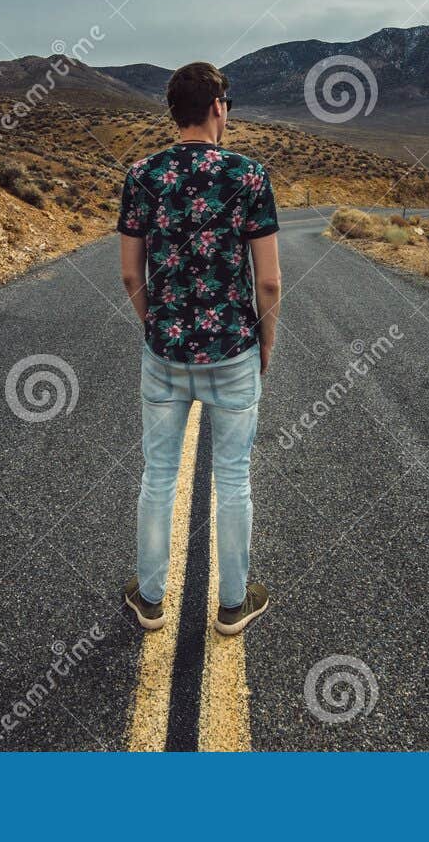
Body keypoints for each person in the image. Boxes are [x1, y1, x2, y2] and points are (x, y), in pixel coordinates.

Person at [117, 61, 281, 636]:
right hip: (233, 351)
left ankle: (150, 598)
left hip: (164, 354)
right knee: (233, 478)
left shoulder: (142, 175)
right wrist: (265, 341)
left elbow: (129, 273)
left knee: (159, 474)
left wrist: (154, 326)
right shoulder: (249, 175)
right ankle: (233, 603)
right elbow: (269, 283)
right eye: (226, 104)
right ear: (217, 107)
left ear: (174, 111)